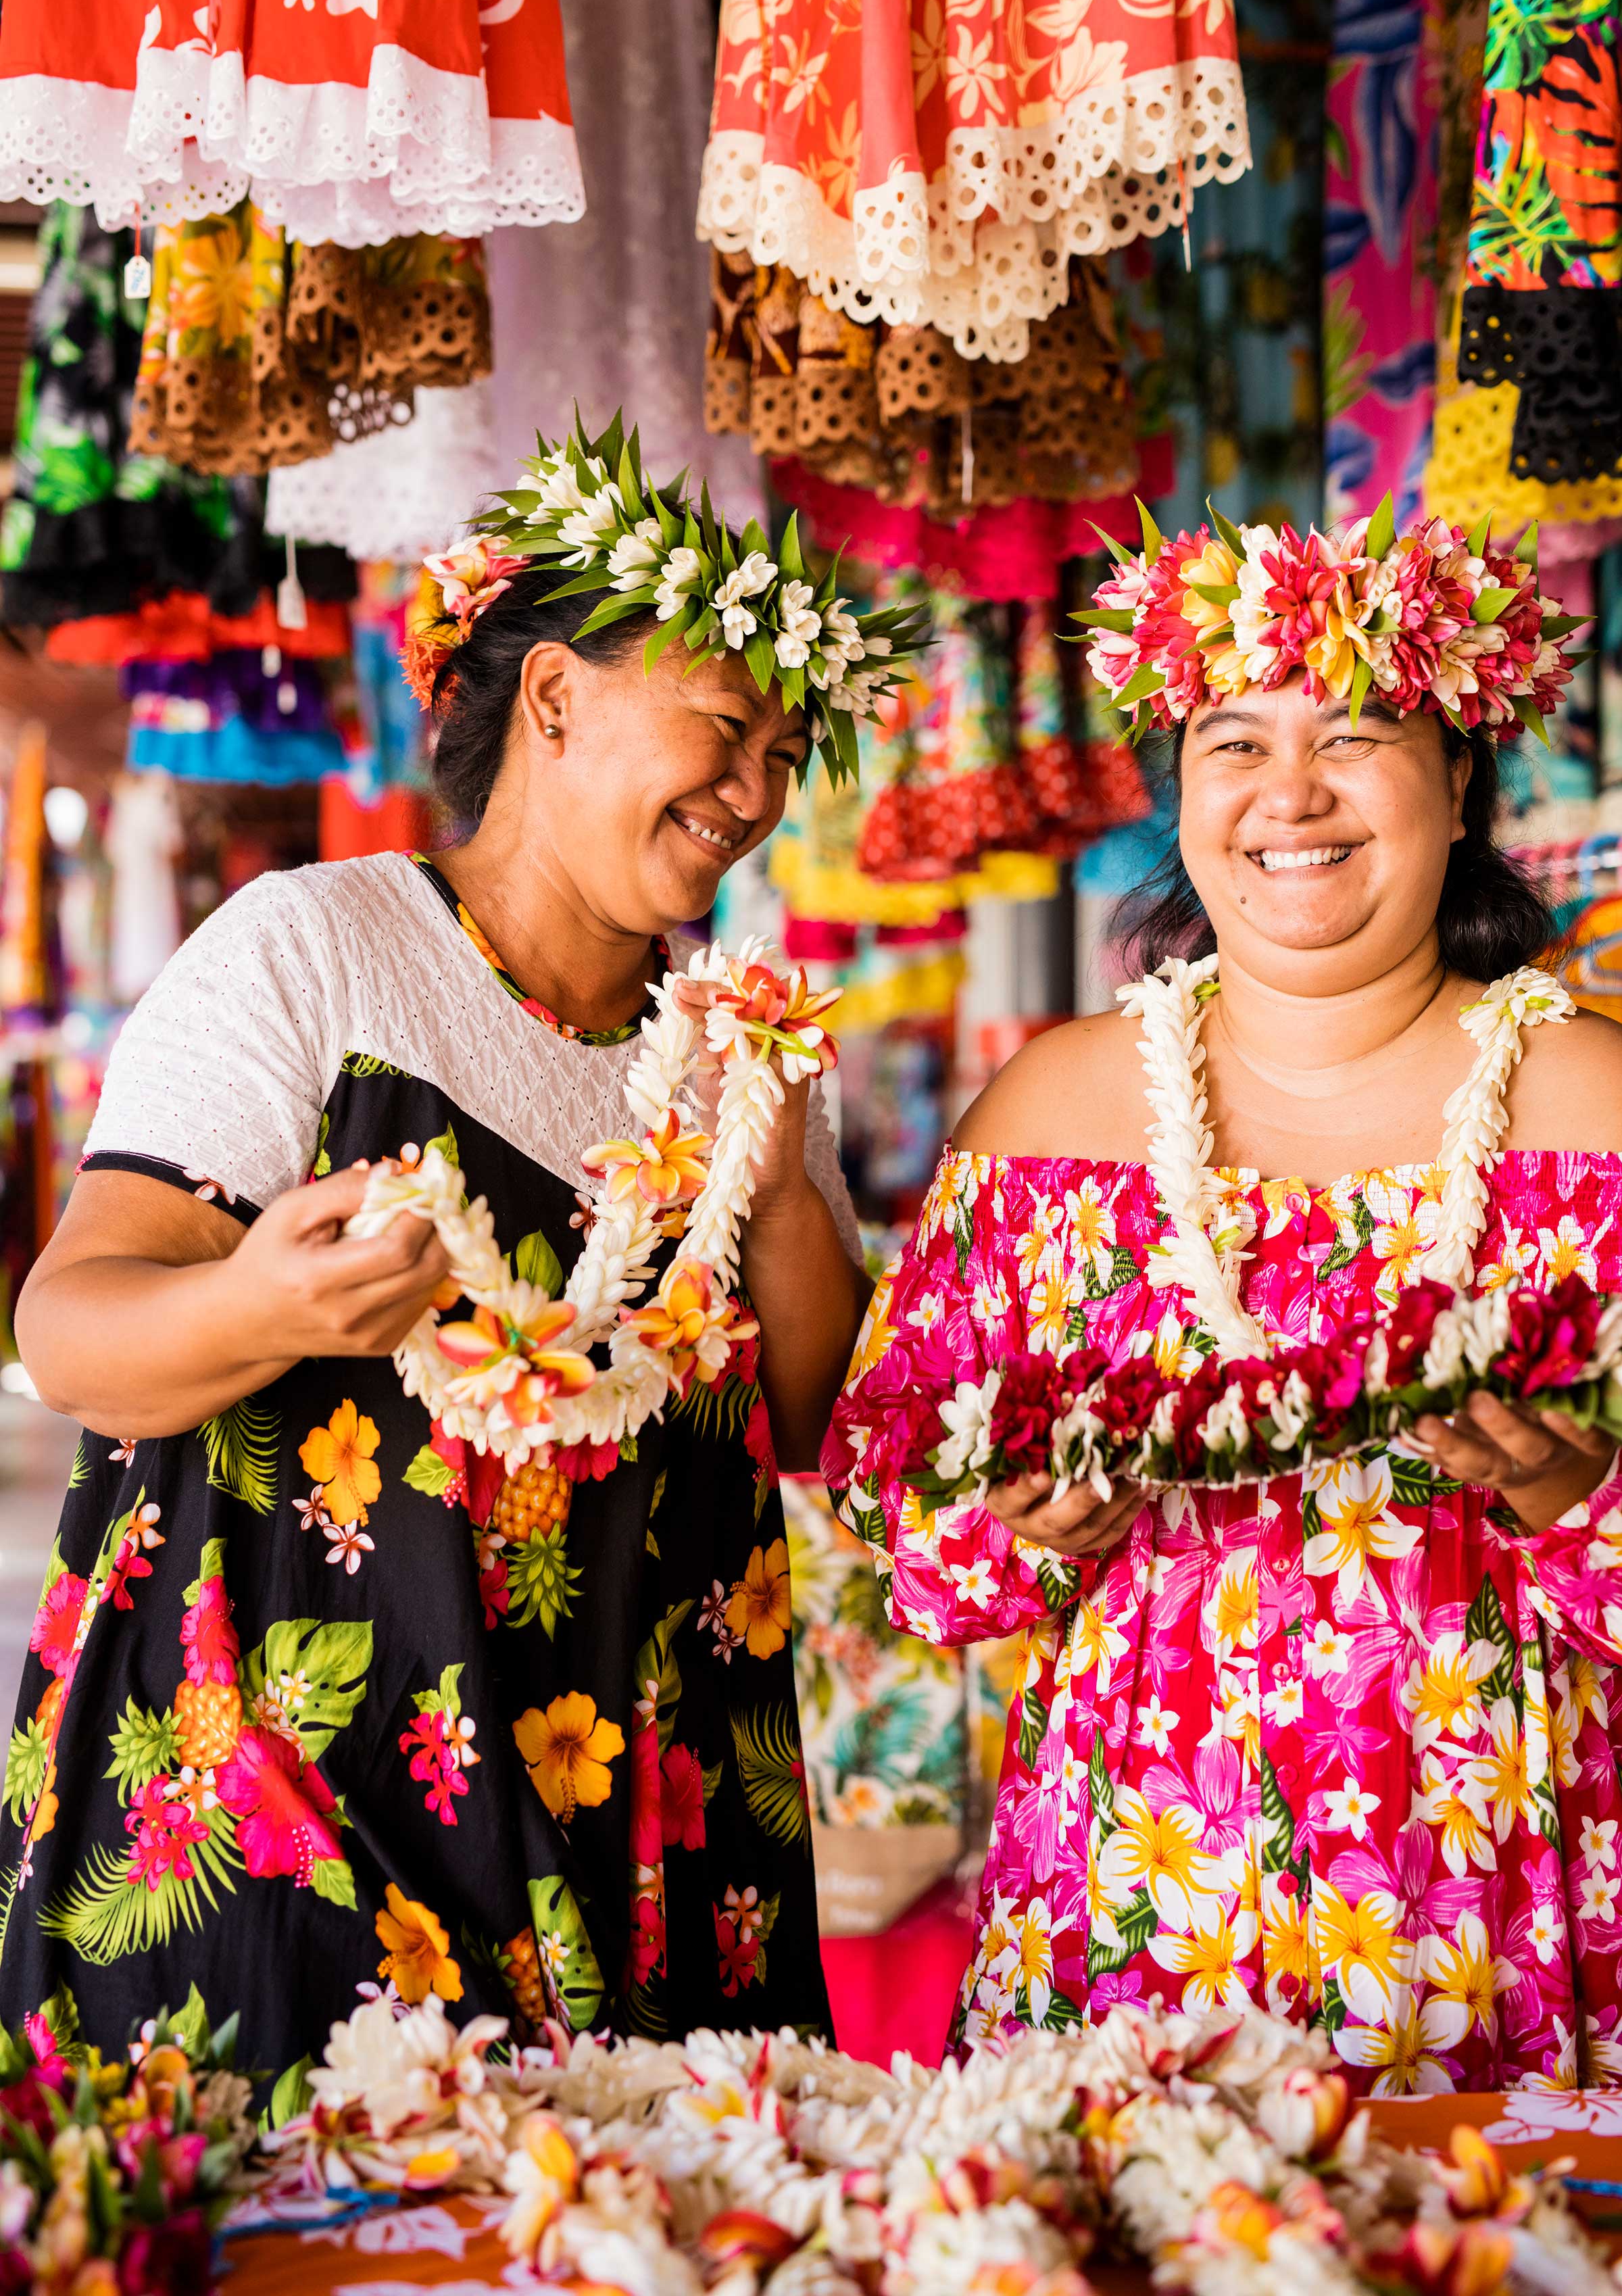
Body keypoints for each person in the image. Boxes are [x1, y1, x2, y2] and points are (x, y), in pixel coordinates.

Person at [0, 421, 904, 2075]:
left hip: (647, 1786)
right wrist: (260, 1298)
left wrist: (771, 1174)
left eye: (786, 752)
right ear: (553, 701)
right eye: (722, 728)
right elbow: (73, 1328)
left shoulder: (738, 1034)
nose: (757, 795)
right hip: (301, 1780)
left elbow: (823, 1416)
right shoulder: (316, 950)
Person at [827, 512, 1622, 2090]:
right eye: (1233, 739)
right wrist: (1010, 1527)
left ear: (1460, 778)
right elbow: (889, 1488)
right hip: (1127, 1916)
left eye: (1355, 732)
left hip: (1505, 1924)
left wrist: (1570, 1487)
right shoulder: (1045, 1117)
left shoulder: (1599, 1111)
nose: (1290, 794)